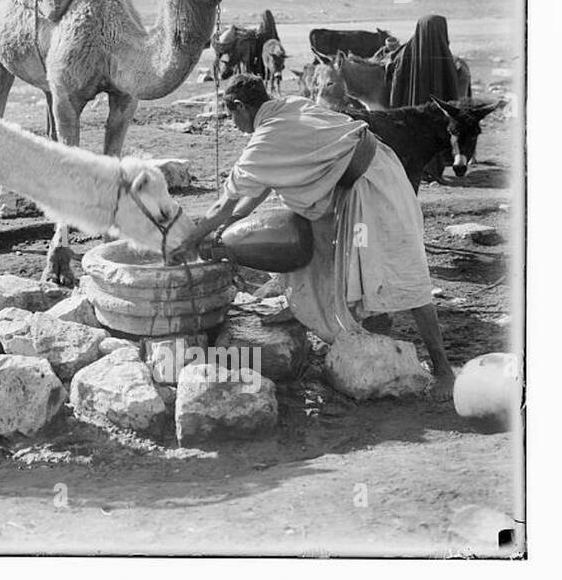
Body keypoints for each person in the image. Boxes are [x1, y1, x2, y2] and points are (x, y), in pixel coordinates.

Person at [171, 74, 455, 399]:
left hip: (374, 186)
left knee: (405, 273)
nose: (232, 123)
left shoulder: (265, 140)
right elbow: (254, 192)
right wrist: (224, 228)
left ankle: (444, 370)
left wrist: (192, 240)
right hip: (362, 180)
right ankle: (321, 313)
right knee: (321, 251)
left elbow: (226, 203)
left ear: (240, 107)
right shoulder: (290, 106)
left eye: (230, 115)